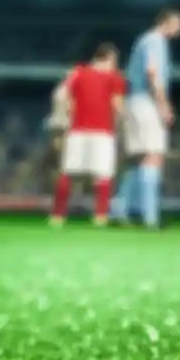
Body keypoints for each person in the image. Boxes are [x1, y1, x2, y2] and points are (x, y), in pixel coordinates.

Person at [113, 8, 180, 229]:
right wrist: (164, 105)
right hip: (146, 101)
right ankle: (150, 217)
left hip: (135, 100)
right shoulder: (156, 41)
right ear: (166, 22)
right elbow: (153, 73)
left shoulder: (144, 40)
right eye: (178, 24)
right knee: (154, 156)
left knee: (140, 159)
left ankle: (119, 209)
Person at [48, 43, 125, 227]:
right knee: (103, 175)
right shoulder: (114, 77)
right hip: (102, 132)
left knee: (68, 172)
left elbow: (60, 95)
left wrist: (63, 117)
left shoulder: (78, 72)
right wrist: (123, 123)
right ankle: (100, 217)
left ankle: (57, 217)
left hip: (77, 131)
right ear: (109, 59)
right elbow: (117, 104)